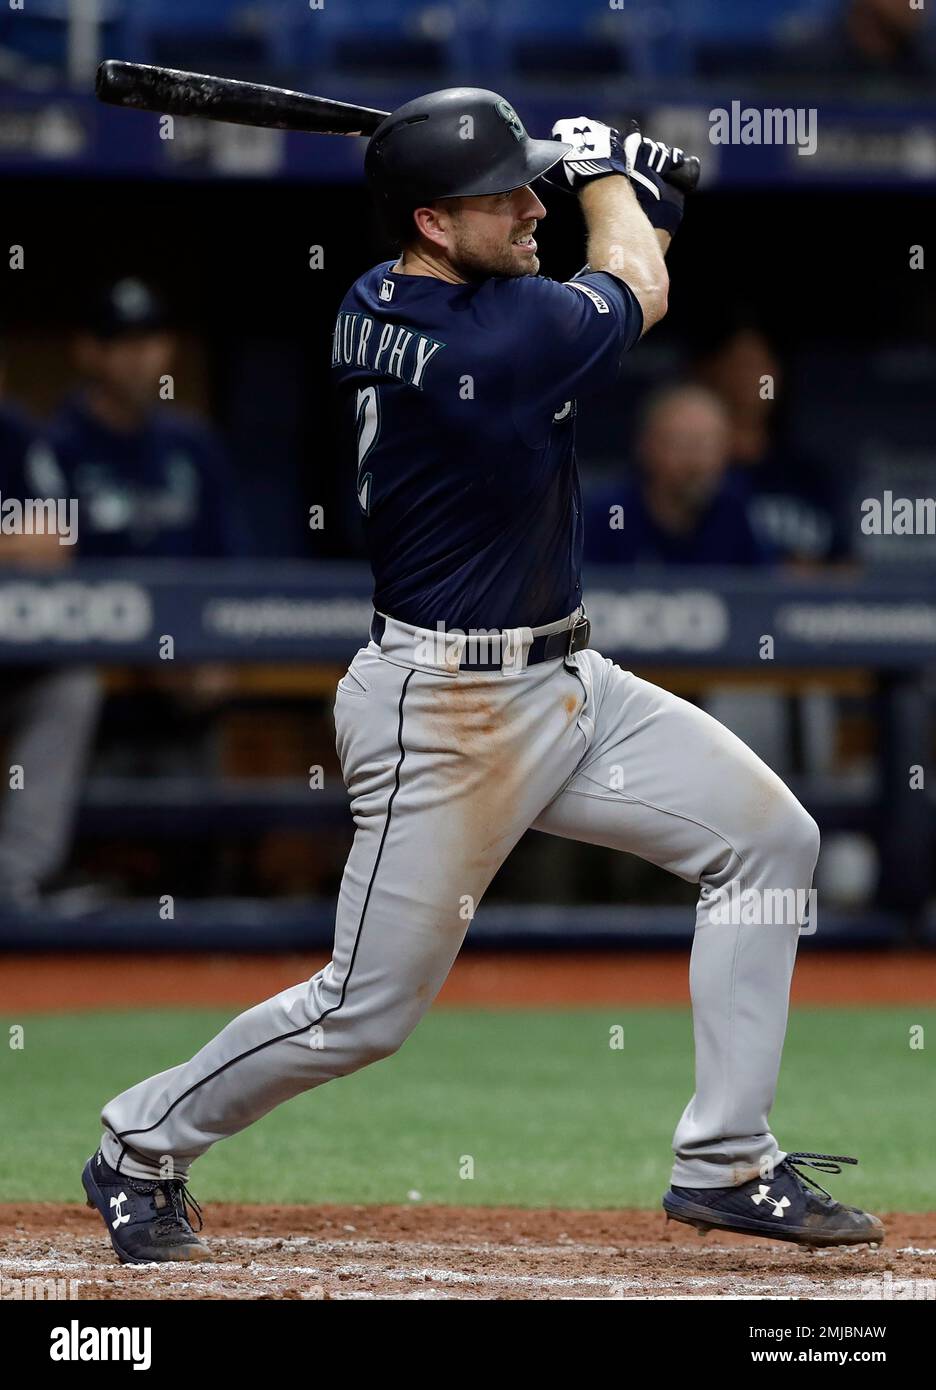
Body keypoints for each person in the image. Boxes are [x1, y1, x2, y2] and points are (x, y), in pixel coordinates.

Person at [81, 92, 882, 1264]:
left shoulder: (384, 294)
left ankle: (727, 1159)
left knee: (770, 842)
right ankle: (139, 1141)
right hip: (446, 711)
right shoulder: (489, 340)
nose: (529, 206)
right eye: (502, 196)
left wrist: (611, 182)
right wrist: (613, 166)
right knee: (364, 1010)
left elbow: (611, 271)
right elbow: (636, 286)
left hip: (567, 679)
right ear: (431, 224)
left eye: (531, 185)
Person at [0, 342, 102, 918]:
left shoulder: (16, 434)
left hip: (16, 664)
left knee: (71, 686)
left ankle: (15, 883)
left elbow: (53, 540)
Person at [47, 278, 248, 561]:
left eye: (150, 341)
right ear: (89, 350)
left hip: (188, 603)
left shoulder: (194, 444)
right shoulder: (53, 448)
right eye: (123, 342)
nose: (140, 357)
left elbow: (228, 559)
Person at [584, 383, 770, 566]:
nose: (697, 463)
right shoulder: (610, 514)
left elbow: (764, 586)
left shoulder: (733, 512)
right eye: (683, 445)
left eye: (709, 446)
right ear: (646, 447)